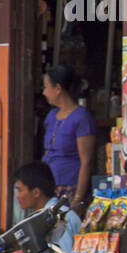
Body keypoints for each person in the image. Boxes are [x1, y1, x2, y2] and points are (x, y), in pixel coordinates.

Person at [41, 64, 96, 209]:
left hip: (70, 188)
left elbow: (86, 161)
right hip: (48, 188)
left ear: (58, 88)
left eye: (46, 87)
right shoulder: (51, 116)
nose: (44, 92)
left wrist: (77, 198)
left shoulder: (81, 118)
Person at [12, 161, 81, 253]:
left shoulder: (58, 217)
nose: (17, 195)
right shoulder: (43, 216)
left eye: (19, 190)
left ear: (36, 192)